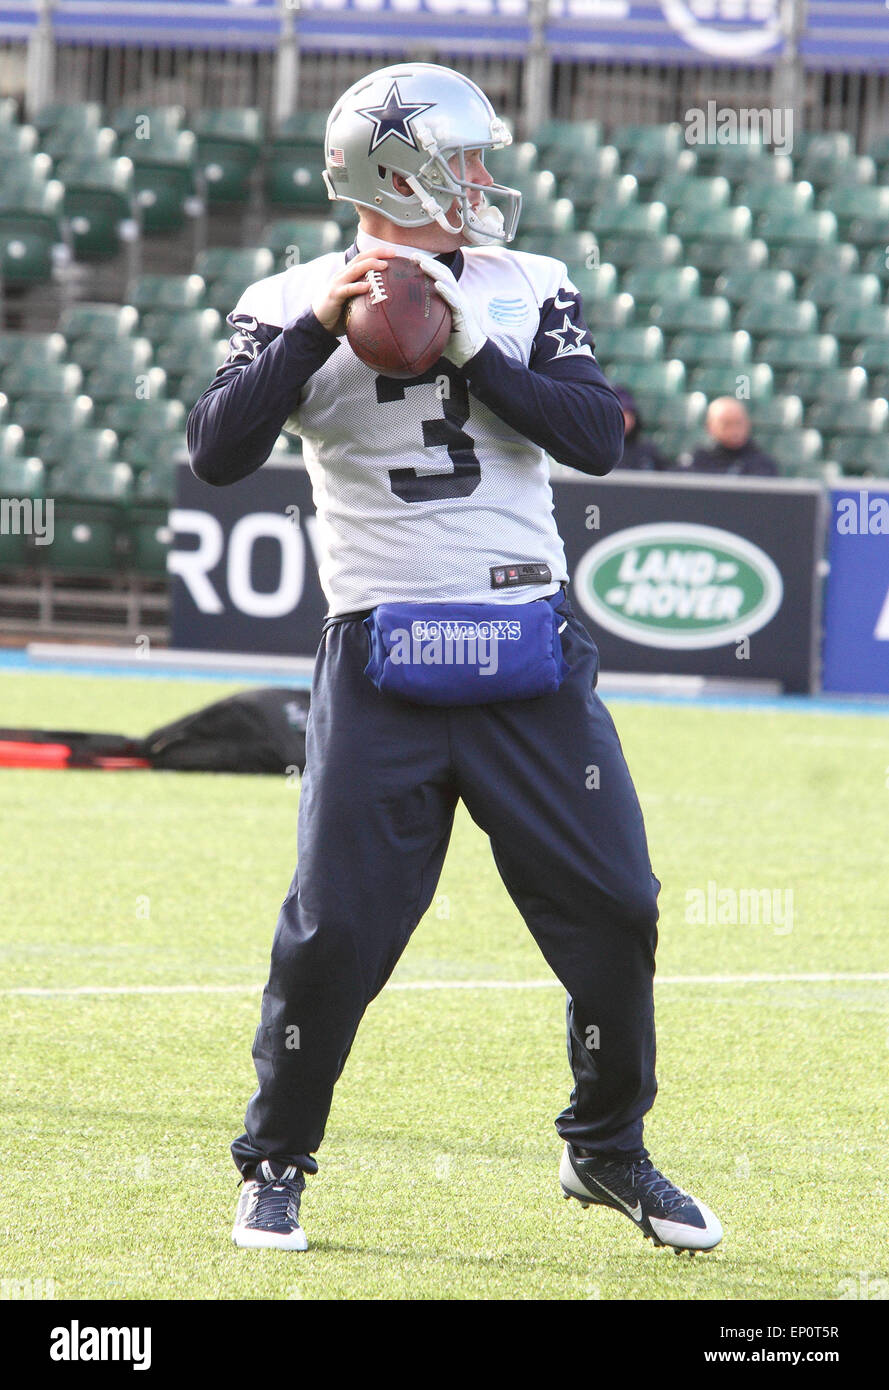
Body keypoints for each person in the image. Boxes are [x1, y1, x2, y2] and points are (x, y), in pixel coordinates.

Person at [187, 62, 722, 1256]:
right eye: (464, 159)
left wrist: (479, 349)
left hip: (528, 650)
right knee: (334, 931)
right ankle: (275, 1160)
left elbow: (595, 440)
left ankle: (607, 1149)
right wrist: (323, 324)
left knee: (616, 905)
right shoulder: (286, 294)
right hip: (383, 651)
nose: (483, 180)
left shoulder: (530, 285)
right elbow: (217, 449)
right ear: (403, 170)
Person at [687, 397, 778, 476]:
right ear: (710, 426)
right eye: (727, 424)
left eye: (739, 423)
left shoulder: (763, 464)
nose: (734, 430)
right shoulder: (696, 461)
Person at [611, 386, 671, 471]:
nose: (625, 420)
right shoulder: (600, 451)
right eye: (621, 414)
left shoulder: (647, 450)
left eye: (628, 414)